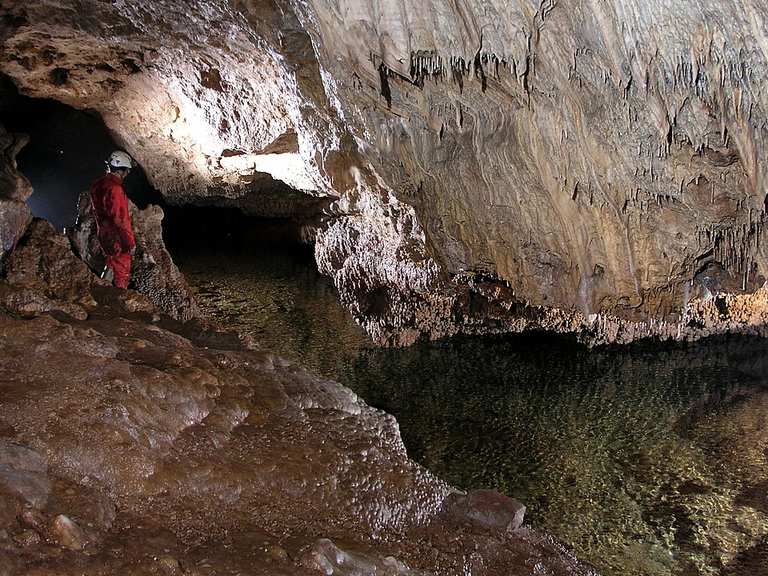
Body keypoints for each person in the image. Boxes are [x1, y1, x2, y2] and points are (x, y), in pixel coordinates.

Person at [90, 151, 136, 289]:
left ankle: (105, 291)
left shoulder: (96, 185)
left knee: (111, 264)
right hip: (117, 237)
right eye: (127, 170)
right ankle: (120, 300)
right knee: (122, 270)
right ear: (122, 170)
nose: (127, 174)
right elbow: (120, 219)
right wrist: (129, 242)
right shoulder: (115, 189)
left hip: (103, 233)